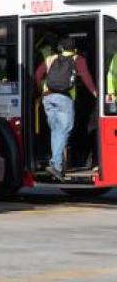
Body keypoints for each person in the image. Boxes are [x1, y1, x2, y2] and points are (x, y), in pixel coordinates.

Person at [34, 36, 98, 181]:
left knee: (56, 131)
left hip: (47, 99)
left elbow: (37, 75)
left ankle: (56, 162)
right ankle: (56, 165)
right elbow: (86, 77)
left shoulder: (50, 58)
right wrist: (95, 93)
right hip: (64, 99)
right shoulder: (78, 59)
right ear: (74, 49)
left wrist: (41, 92)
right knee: (64, 131)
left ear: (61, 48)